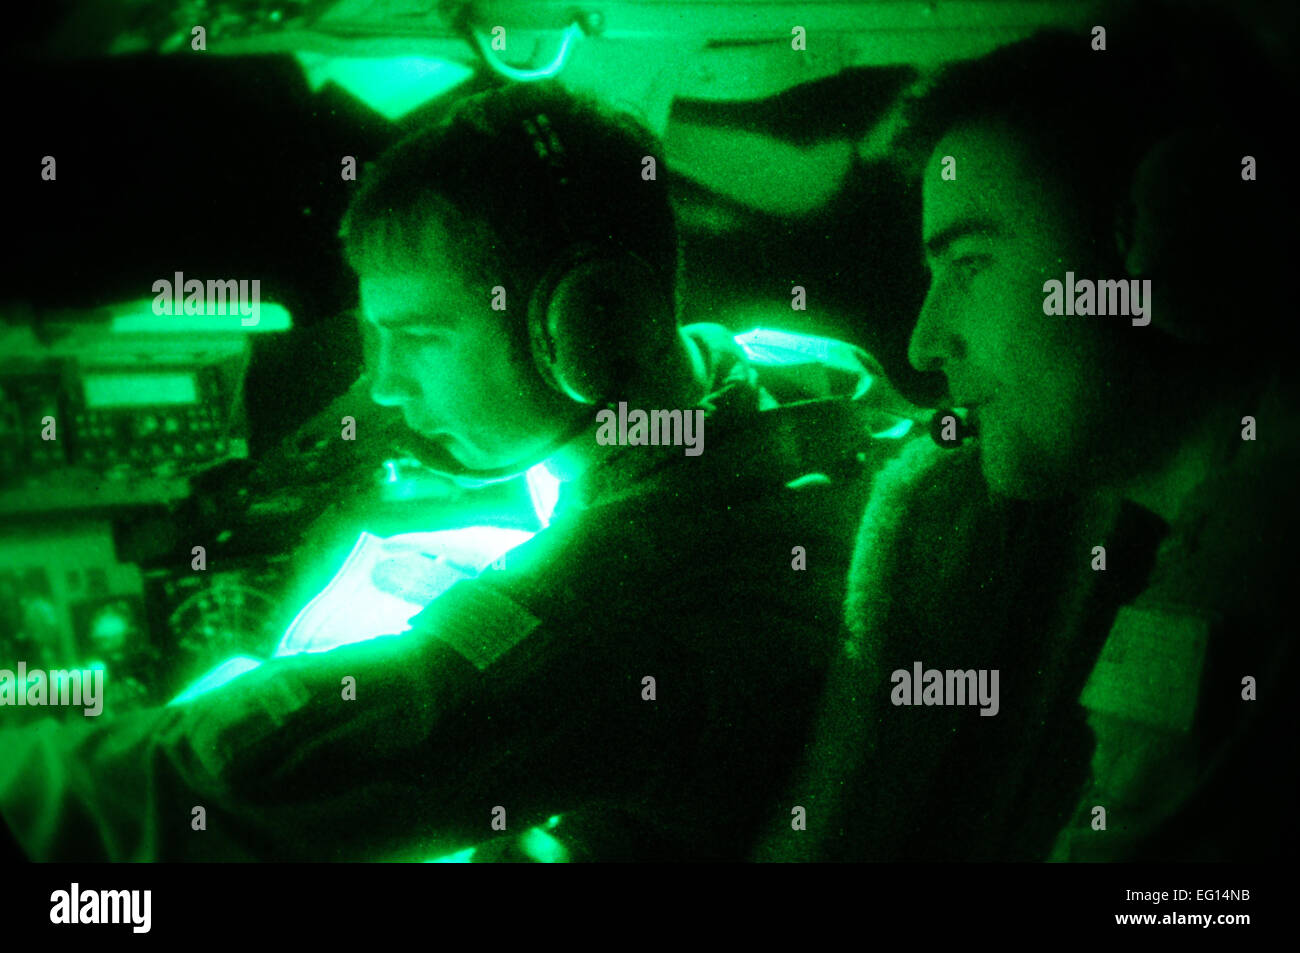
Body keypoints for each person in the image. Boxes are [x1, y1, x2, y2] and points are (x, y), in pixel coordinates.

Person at [0, 81, 917, 861]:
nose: (390, 385)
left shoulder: (601, 618)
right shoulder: (810, 379)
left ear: (591, 325)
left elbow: (222, 780)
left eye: (421, 336)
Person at [762, 19, 1296, 861]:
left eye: (971, 264)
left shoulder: (1245, 569)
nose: (923, 341)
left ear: (1149, 250)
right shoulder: (1229, 514)